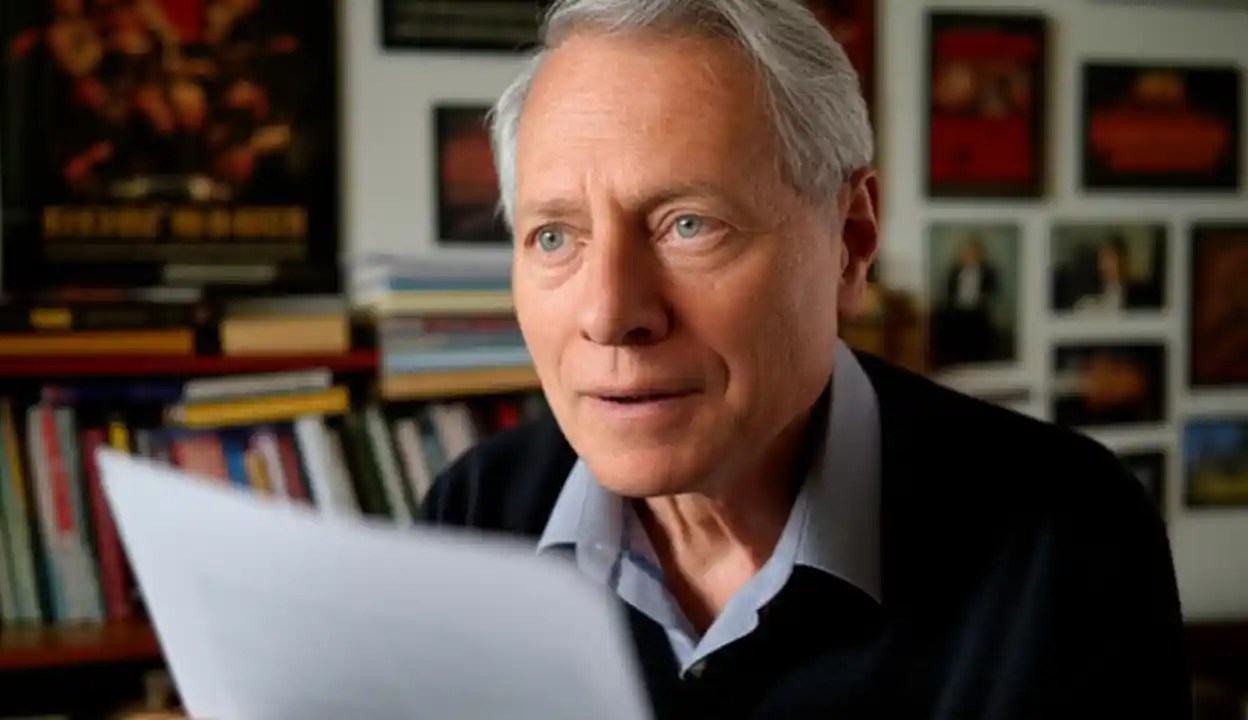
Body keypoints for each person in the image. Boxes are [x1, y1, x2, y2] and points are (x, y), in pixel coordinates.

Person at [421, 1, 1189, 718]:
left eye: (688, 224)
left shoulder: (1071, 536)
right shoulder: (474, 518)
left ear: (851, 242)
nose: (611, 315)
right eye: (555, 237)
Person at [934, 236, 1000, 366]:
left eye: (973, 251)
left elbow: (993, 291)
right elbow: (948, 290)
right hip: (958, 311)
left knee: (978, 341)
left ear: (980, 253)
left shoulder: (988, 271)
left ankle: (978, 363)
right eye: (967, 251)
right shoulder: (955, 270)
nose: (970, 254)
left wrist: (983, 300)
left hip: (978, 312)